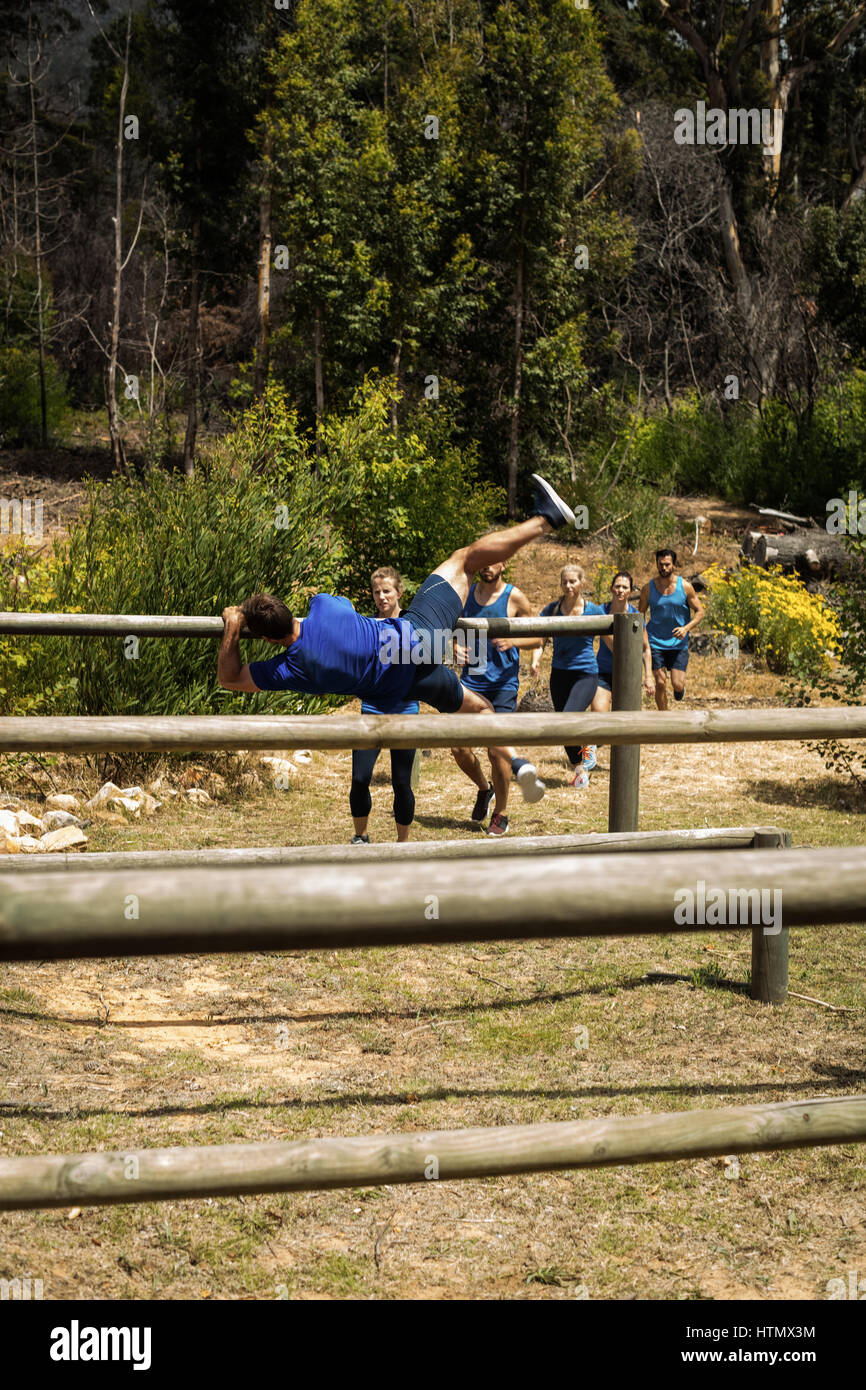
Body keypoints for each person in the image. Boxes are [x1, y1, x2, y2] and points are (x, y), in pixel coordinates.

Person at [218, 475, 578, 732]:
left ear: (266, 640)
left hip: (402, 680)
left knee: (474, 708)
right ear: (285, 608)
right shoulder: (323, 607)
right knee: (464, 559)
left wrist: (234, 626)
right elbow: (343, 608)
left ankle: (508, 767)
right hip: (413, 640)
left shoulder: (290, 670)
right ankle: (544, 519)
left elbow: (229, 679)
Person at [450, 559, 546, 838]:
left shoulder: (514, 597)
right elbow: (452, 628)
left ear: (504, 564)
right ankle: (484, 788)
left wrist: (514, 641)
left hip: (503, 684)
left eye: (493, 561)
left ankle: (501, 812)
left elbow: (538, 638)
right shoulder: (466, 593)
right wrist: (454, 647)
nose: (487, 566)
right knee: (458, 748)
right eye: (484, 561)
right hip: (471, 682)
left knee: (497, 751)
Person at [348, 567, 418, 845]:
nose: (381, 596)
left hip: (405, 713)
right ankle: (360, 836)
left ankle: (402, 844)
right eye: (376, 592)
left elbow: (431, 656)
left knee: (401, 783)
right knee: (359, 778)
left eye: (386, 590)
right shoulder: (367, 625)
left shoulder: (412, 623)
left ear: (399, 592)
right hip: (372, 711)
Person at [530, 564, 603, 790]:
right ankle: (580, 770)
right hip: (559, 673)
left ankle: (590, 743)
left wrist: (623, 662)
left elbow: (611, 640)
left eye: (573, 581)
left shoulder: (594, 611)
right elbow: (539, 639)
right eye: (565, 582)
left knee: (569, 716)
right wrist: (535, 659)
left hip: (586, 673)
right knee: (562, 725)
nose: (568, 585)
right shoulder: (552, 610)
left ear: (582, 583)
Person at [638, 548, 705, 710]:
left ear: (674, 565)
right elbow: (639, 615)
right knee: (660, 682)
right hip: (655, 642)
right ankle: (664, 718)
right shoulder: (648, 588)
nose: (664, 568)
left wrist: (686, 628)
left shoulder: (686, 586)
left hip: (678, 643)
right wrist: (642, 638)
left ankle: (679, 690)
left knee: (677, 684)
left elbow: (700, 612)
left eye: (667, 564)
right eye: (660, 565)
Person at [591, 571, 655, 715]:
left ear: (630, 591)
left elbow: (645, 649)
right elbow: (614, 646)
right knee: (598, 711)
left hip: (629, 672)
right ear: (611, 588)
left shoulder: (636, 616)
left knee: (626, 719)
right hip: (604, 672)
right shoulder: (601, 611)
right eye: (617, 586)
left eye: (625, 587)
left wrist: (648, 676)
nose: (620, 590)